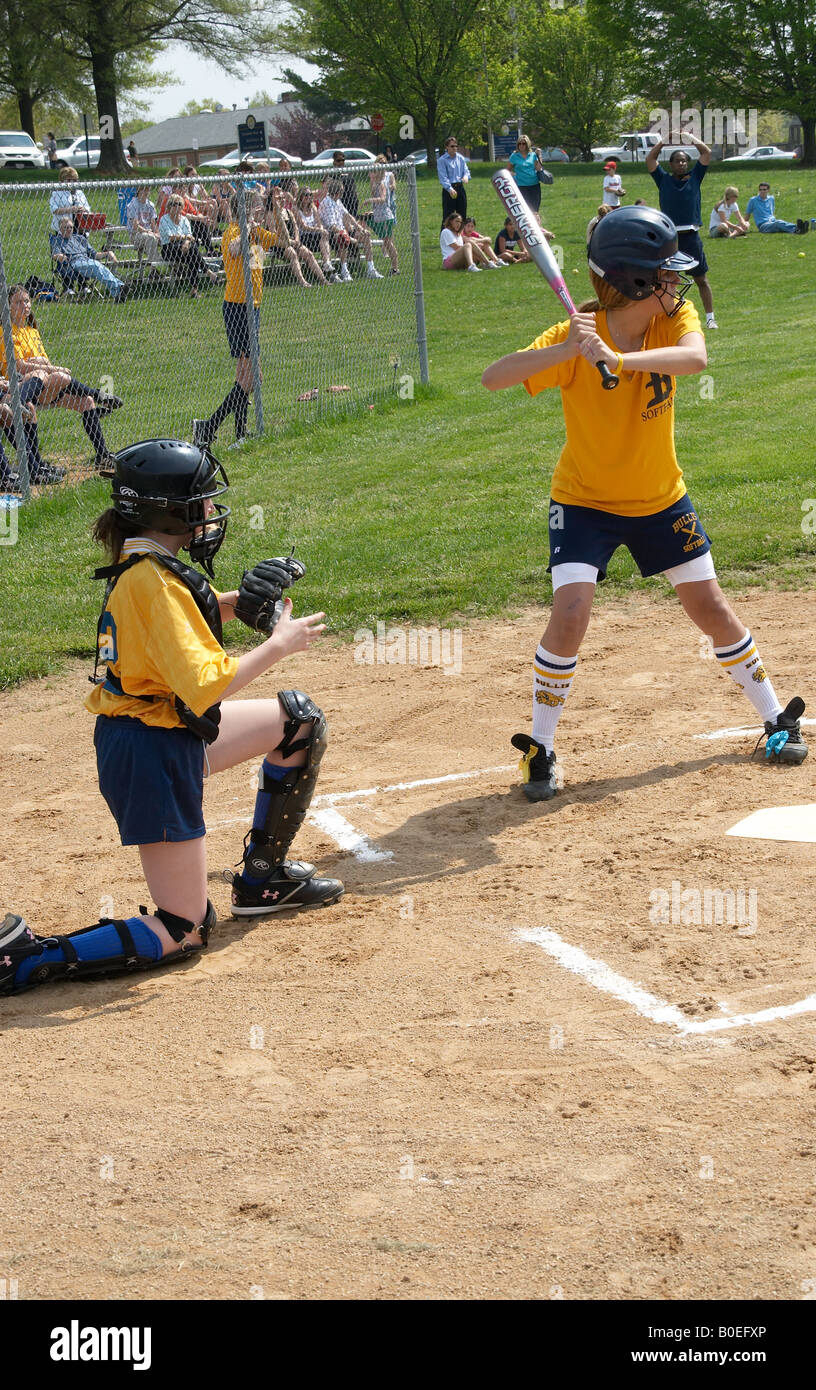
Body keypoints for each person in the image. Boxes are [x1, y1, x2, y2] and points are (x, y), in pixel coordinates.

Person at [481, 204, 807, 802]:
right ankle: (541, 750)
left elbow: (696, 359)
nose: (674, 285)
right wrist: (570, 352)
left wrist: (620, 360)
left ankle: (773, 720)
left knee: (710, 607)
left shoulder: (672, 317)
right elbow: (493, 377)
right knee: (571, 614)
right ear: (633, 282)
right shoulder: (572, 335)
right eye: (662, 276)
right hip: (584, 502)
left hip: (661, 497)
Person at [0, 439, 344, 999]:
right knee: (184, 928)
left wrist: (237, 602)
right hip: (149, 753)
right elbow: (207, 684)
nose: (211, 513)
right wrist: (280, 644)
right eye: (202, 502)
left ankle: (261, 882)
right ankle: (26, 960)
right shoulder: (152, 582)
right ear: (172, 512)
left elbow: (183, 614)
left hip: (167, 733)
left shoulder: (150, 566)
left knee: (296, 720)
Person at [0, 285, 120, 476]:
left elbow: (42, 361)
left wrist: (41, 364)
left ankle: (102, 454)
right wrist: (50, 367)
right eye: (18, 302)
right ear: (8, 306)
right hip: (23, 387)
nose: (25, 305)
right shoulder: (6, 331)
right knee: (59, 376)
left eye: (27, 300)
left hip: (45, 386)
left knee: (85, 402)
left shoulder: (32, 331)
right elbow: (20, 367)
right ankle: (99, 394)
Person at [192, 193, 275, 448]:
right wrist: (249, 225)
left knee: (244, 376)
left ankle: (238, 434)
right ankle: (209, 425)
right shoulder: (233, 231)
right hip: (238, 308)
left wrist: (276, 208)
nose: (260, 211)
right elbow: (233, 249)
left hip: (253, 308)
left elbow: (280, 239)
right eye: (256, 207)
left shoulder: (257, 232)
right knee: (253, 378)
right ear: (245, 210)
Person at [645, 132, 718, 328]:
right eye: (677, 161)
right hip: (670, 238)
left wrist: (689, 137)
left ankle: (710, 318)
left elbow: (706, 153)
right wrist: (663, 142)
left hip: (691, 236)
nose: (681, 164)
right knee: (664, 280)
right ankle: (665, 315)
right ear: (671, 164)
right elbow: (650, 159)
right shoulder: (663, 179)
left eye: (684, 161)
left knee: (701, 279)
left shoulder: (695, 178)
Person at [318, 178, 384, 281]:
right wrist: (347, 236)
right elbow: (331, 226)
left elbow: (347, 215)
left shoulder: (337, 201)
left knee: (365, 236)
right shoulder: (327, 203)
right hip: (332, 234)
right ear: (338, 192)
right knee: (342, 238)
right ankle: (345, 271)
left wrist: (360, 229)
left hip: (343, 230)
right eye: (342, 191)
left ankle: (371, 269)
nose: (343, 193)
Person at [52, 216, 128, 299]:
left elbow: (94, 254)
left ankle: (118, 290)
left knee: (100, 267)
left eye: (71, 227)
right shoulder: (57, 240)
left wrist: (108, 253)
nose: (69, 229)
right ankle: (119, 288)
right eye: (66, 227)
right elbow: (55, 255)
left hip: (88, 261)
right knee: (97, 266)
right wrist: (60, 256)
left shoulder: (80, 238)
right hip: (74, 264)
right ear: (60, 228)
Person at [159, 195, 219, 298]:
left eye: (179, 204)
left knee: (192, 254)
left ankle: (194, 290)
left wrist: (186, 242)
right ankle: (208, 273)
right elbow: (171, 237)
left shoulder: (184, 219)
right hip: (169, 248)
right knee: (193, 253)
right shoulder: (164, 219)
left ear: (182, 206)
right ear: (169, 207)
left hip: (185, 247)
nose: (176, 206)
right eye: (173, 204)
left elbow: (190, 236)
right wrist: (185, 238)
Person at [295, 187, 339, 281]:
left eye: (310, 194)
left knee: (325, 235)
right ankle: (327, 265)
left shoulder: (313, 207)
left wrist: (321, 230)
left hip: (316, 235)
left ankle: (327, 264)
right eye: (306, 195)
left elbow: (319, 223)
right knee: (323, 235)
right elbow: (303, 226)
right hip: (304, 237)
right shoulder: (296, 209)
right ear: (301, 197)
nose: (309, 197)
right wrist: (318, 230)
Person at [367, 156, 399, 274]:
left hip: (385, 216)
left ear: (377, 173)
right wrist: (372, 210)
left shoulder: (381, 184)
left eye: (372, 172)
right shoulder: (375, 183)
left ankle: (395, 268)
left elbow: (383, 199)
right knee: (386, 241)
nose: (370, 173)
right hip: (378, 215)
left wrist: (369, 200)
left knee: (388, 242)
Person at [744, 182, 812, 235]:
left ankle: (800, 228)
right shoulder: (753, 200)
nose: (762, 191)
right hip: (763, 226)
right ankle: (797, 229)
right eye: (760, 189)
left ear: (768, 190)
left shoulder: (771, 198)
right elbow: (747, 215)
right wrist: (742, 226)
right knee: (778, 223)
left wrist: (771, 219)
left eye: (764, 189)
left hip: (772, 221)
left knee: (779, 222)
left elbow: (772, 211)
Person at [507, 134, 547, 214]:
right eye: (519, 144)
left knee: (535, 210)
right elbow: (507, 170)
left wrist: (539, 155)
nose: (521, 145)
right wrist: (515, 175)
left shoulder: (532, 155)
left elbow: (539, 168)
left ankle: (536, 225)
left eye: (523, 143)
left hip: (534, 185)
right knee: (524, 211)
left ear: (527, 144)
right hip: (521, 186)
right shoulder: (514, 156)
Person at [437, 136, 470, 227]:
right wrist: (449, 188)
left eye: (456, 146)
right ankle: (445, 238)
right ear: (446, 147)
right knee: (448, 217)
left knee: (462, 216)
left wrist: (466, 177)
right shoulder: (442, 160)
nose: (455, 148)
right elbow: (443, 177)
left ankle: (460, 238)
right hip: (449, 190)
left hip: (460, 188)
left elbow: (466, 171)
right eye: (452, 146)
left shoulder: (460, 158)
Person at [49, 166, 92, 234]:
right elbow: (54, 210)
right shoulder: (57, 193)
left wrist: (83, 209)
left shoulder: (79, 193)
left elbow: (87, 208)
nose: (72, 182)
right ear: (62, 181)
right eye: (69, 180)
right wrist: (70, 209)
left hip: (80, 226)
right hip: (64, 227)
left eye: (74, 180)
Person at [126, 185, 162, 264]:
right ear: (138, 191)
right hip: (135, 235)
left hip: (149, 233)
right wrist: (148, 232)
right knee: (150, 237)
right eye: (143, 190)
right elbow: (135, 226)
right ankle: (155, 265)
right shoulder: (133, 205)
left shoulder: (150, 205)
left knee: (163, 237)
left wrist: (157, 234)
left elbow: (153, 223)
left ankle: (170, 262)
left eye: (148, 190)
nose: (146, 192)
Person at [330, 150, 359, 218]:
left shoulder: (348, 171)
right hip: (342, 201)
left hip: (353, 202)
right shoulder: (332, 174)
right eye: (338, 160)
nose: (341, 162)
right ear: (334, 161)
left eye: (343, 160)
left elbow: (353, 185)